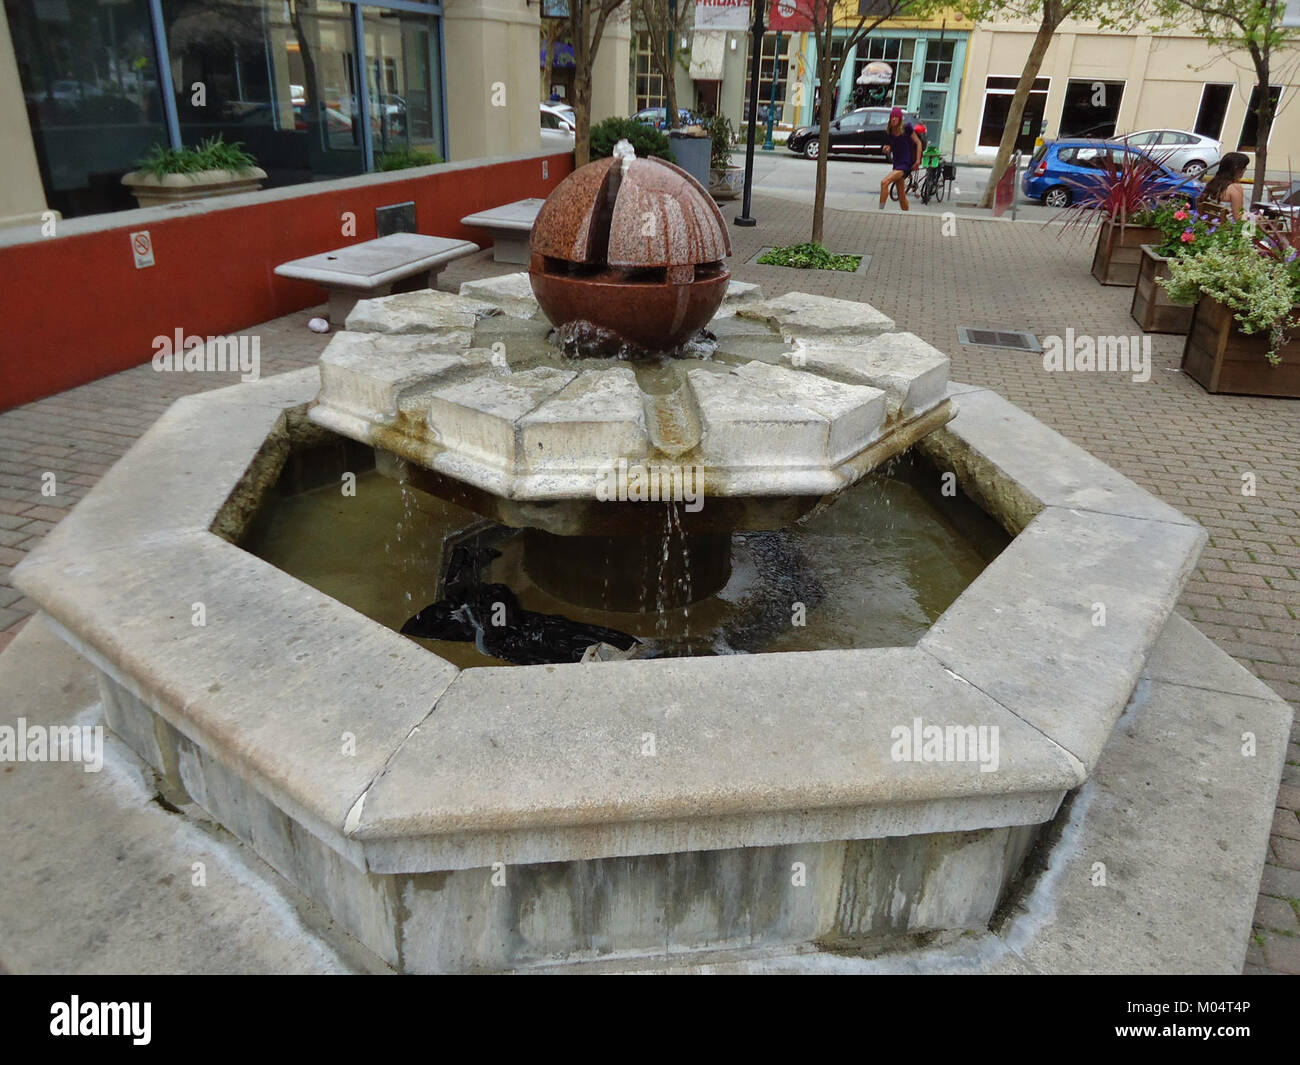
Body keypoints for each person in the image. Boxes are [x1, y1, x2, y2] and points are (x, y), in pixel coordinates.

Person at [880, 107, 923, 211]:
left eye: (896, 117)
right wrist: (887, 149)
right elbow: (893, 146)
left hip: (905, 163)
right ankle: (906, 214)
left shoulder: (906, 128)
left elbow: (918, 142)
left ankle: (879, 210)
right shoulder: (890, 132)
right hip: (896, 163)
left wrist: (917, 160)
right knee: (901, 195)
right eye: (892, 117)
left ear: (900, 119)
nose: (894, 119)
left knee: (884, 182)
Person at [1202, 152, 1248, 221]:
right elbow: (1238, 218)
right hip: (1228, 228)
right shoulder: (1235, 188)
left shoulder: (1212, 183)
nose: (1246, 169)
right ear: (1236, 169)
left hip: (1212, 225)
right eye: (1244, 167)